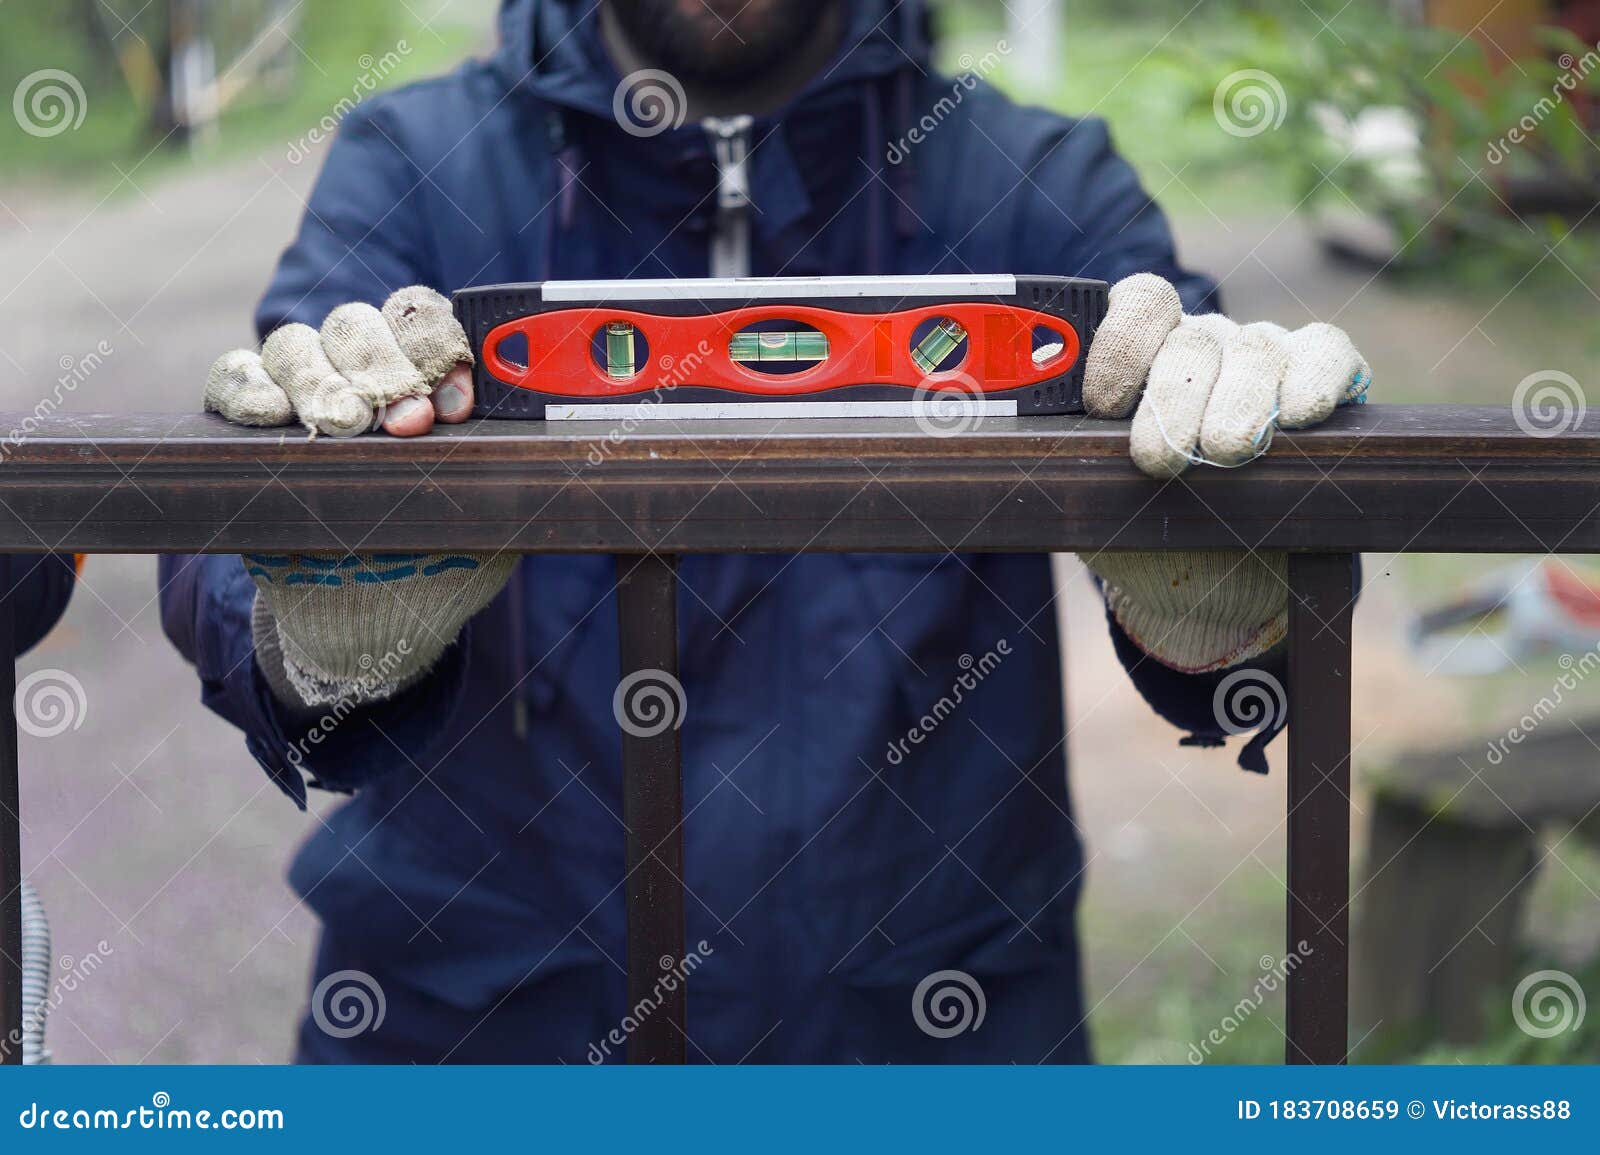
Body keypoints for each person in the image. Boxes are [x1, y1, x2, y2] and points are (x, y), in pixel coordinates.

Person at [160, 0, 1367, 1063]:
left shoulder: (1030, 179)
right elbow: (248, 487)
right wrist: (309, 631)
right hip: (482, 1038)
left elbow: (1220, 454)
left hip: (923, 1044)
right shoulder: (417, 163)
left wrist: (1228, 597)